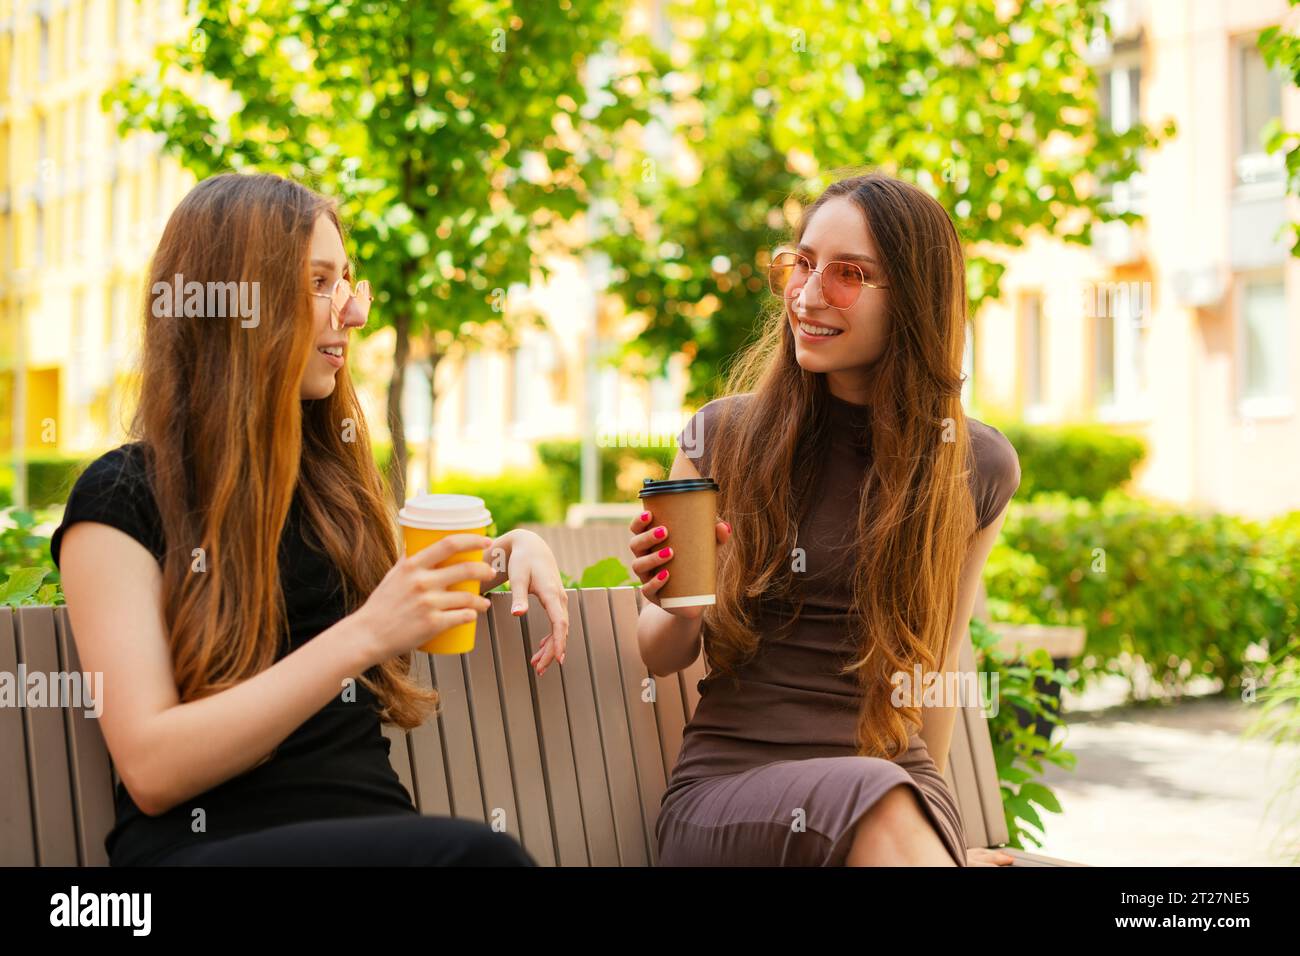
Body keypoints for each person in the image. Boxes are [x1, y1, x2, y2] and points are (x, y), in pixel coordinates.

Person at [51, 172, 568, 866]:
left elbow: (400, 596)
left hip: (380, 840)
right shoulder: (120, 500)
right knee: (480, 859)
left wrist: (509, 550)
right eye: (320, 283)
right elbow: (150, 768)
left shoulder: (329, 490)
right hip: (208, 852)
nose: (353, 312)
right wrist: (361, 637)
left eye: (348, 282)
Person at [631, 170, 1021, 867]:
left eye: (848, 274)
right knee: (876, 792)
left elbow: (936, 665)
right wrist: (681, 600)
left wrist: (941, 832)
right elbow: (661, 655)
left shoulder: (974, 464)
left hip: (894, 795)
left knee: (886, 791)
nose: (808, 296)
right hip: (732, 794)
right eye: (802, 264)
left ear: (913, 299)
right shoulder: (722, 438)